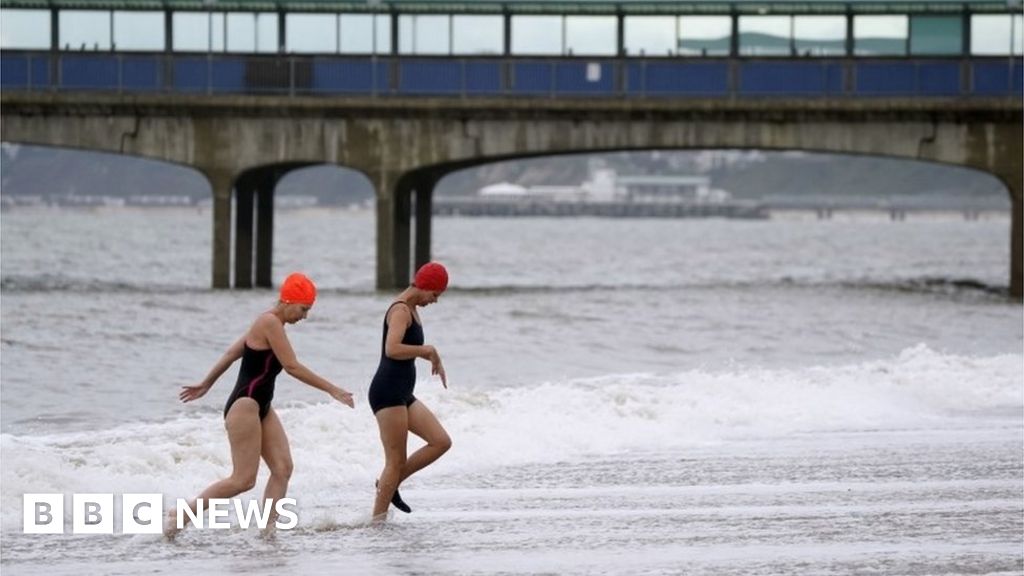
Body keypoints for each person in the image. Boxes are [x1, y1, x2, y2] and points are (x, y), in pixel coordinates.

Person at [165, 272, 354, 536]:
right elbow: (291, 366)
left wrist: (207, 383)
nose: (305, 316)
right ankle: (185, 513)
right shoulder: (269, 322)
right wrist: (332, 389)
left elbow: (233, 353)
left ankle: (268, 532)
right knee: (243, 480)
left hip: (261, 406)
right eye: (303, 309)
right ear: (288, 301)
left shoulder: (268, 323)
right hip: (245, 405)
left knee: (283, 468)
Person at [369, 261, 452, 520]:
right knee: (395, 461)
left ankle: (388, 484)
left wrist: (429, 354)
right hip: (388, 393)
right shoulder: (401, 310)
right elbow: (391, 349)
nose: (435, 301)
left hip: (404, 394)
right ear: (425, 286)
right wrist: (426, 350)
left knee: (441, 441)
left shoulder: (413, 309)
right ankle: (377, 523)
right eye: (435, 294)